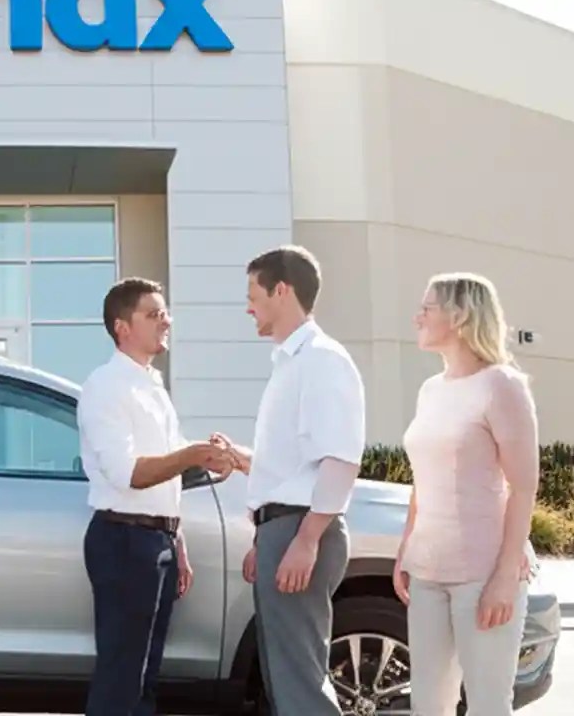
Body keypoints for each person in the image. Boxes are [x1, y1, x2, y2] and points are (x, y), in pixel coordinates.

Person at [213, 246, 367, 716]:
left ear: (282, 291)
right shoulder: (292, 362)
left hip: (301, 529)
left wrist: (306, 539)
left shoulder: (322, 360)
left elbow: (341, 459)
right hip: (284, 529)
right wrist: (246, 465)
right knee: (287, 677)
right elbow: (297, 466)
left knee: (299, 681)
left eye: (253, 294)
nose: (248, 306)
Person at [76, 277, 232, 716]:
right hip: (123, 541)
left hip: (154, 542)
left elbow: (166, 473)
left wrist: (175, 538)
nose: (166, 320)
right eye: (153, 313)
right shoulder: (107, 386)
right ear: (122, 327)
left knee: (144, 679)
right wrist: (191, 454)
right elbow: (127, 472)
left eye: (165, 312)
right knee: (122, 679)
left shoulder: (151, 385)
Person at [394, 272, 540, 716]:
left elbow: (524, 486)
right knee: (428, 705)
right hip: (427, 570)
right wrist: (405, 548)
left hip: (484, 570)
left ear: (459, 316)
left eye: (427, 306)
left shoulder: (503, 386)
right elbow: (424, 477)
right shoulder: (430, 390)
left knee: (487, 705)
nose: (417, 315)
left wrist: (504, 576)